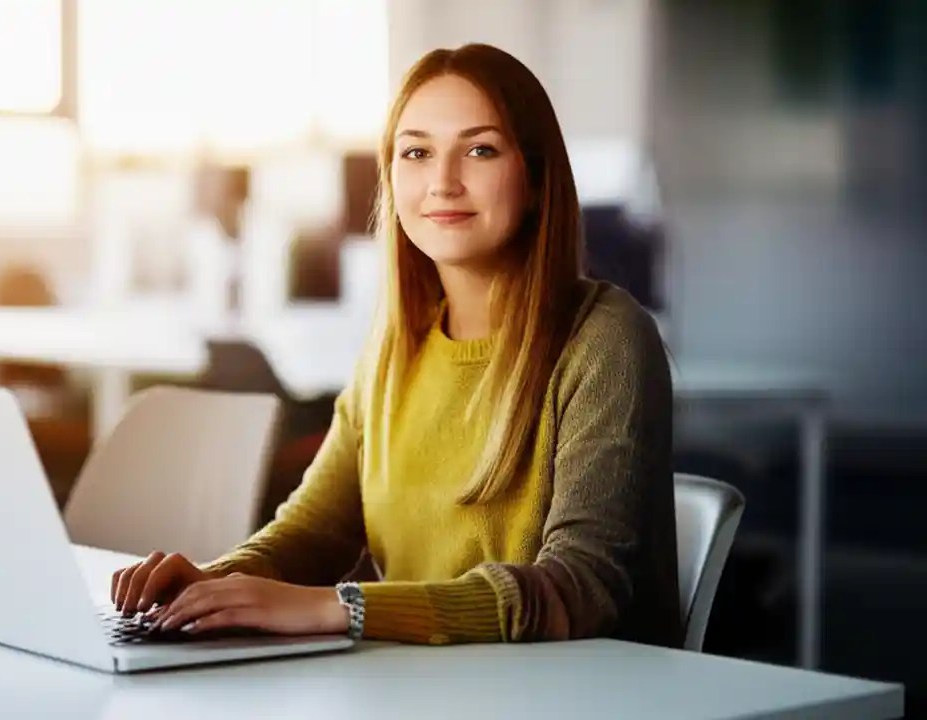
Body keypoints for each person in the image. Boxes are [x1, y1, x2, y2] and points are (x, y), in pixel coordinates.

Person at [110, 43, 681, 647]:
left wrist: (341, 609)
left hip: (570, 690)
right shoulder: (395, 348)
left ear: (537, 179)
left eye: (480, 150)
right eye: (416, 153)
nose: (443, 182)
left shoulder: (605, 339)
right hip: (417, 684)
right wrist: (211, 584)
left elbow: (579, 590)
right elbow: (312, 532)